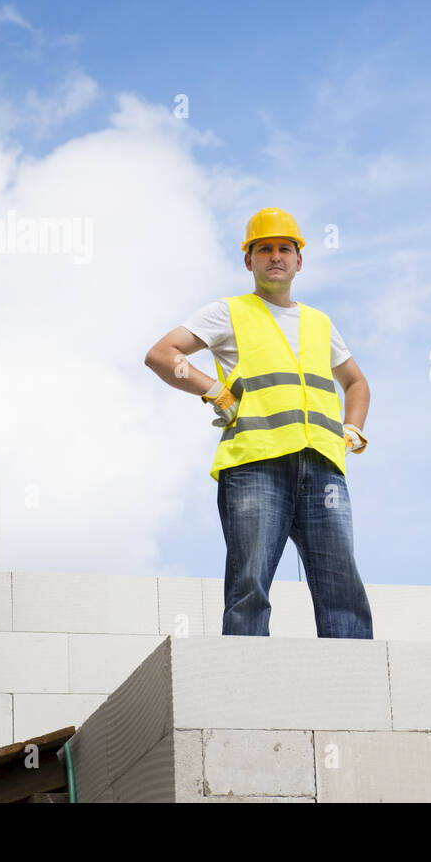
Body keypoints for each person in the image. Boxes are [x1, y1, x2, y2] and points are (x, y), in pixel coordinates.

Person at [144, 207, 374, 639]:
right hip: (256, 466)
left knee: (342, 585)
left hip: (323, 467)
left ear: (299, 260)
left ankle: (355, 685)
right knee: (250, 585)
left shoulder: (321, 324)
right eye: (263, 249)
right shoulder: (228, 312)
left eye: (284, 249)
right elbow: (162, 354)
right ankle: (244, 683)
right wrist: (215, 390)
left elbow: (356, 382)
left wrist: (353, 429)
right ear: (248, 260)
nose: (275, 256)